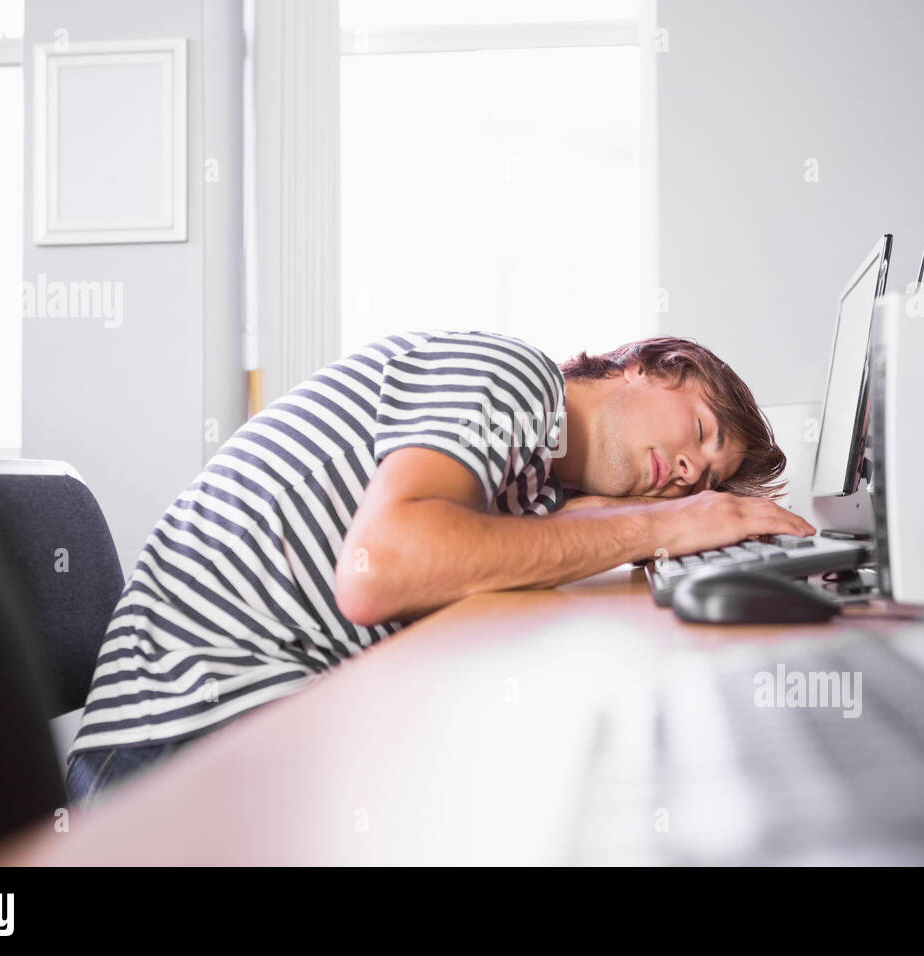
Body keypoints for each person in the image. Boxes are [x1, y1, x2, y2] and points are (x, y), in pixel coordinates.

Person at [64, 329, 813, 808]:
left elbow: (542, 541)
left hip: (239, 729)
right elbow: (381, 567)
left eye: (704, 479)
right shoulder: (512, 376)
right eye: (702, 432)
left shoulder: (533, 486)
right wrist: (669, 522)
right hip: (173, 747)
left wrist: (681, 532)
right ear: (647, 368)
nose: (687, 470)